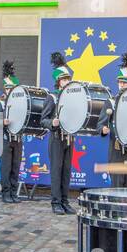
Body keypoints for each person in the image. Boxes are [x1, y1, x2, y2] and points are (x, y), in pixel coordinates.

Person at [105, 46, 127, 188]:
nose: (121, 85)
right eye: (120, 82)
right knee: (117, 187)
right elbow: (101, 124)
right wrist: (103, 129)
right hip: (117, 150)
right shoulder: (111, 102)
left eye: (125, 82)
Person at [47, 52, 74, 214]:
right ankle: (55, 202)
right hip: (56, 138)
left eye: (68, 79)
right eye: (64, 79)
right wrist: (52, 122)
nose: (67, 82)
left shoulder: (72, 98)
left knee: (66, 171)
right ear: (58, 82)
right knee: (56, 171)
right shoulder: (52, 97)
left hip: (69, 138)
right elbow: (44, 119)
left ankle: (65, 201)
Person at [0, 60, 25, 203]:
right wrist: (2, 122)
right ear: (5, 89)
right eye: (8, 89)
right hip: (5, 139)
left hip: (18, 139)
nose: (10, 91)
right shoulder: (0, 103)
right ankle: (6, 193)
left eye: (12, 88)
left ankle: (14, 193)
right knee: (6, 167)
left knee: (15, 166)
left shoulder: (21, 104)